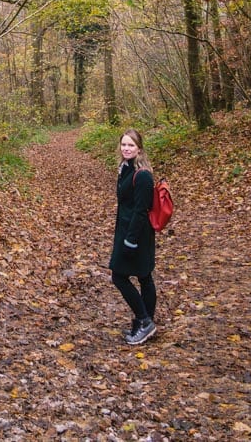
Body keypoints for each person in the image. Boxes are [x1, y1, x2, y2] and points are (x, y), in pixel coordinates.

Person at [109, 128, 158, 346]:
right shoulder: (125, 169)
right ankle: (143, 322)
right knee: (143, 276)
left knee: (120, 276)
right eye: (124, 144)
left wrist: (131, 240)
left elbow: (141, 210)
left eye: (131, 145)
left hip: (136, 233)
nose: (126, 148)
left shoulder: (144, 175)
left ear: (139, 148)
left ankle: (145, 320)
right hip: (127, 230)